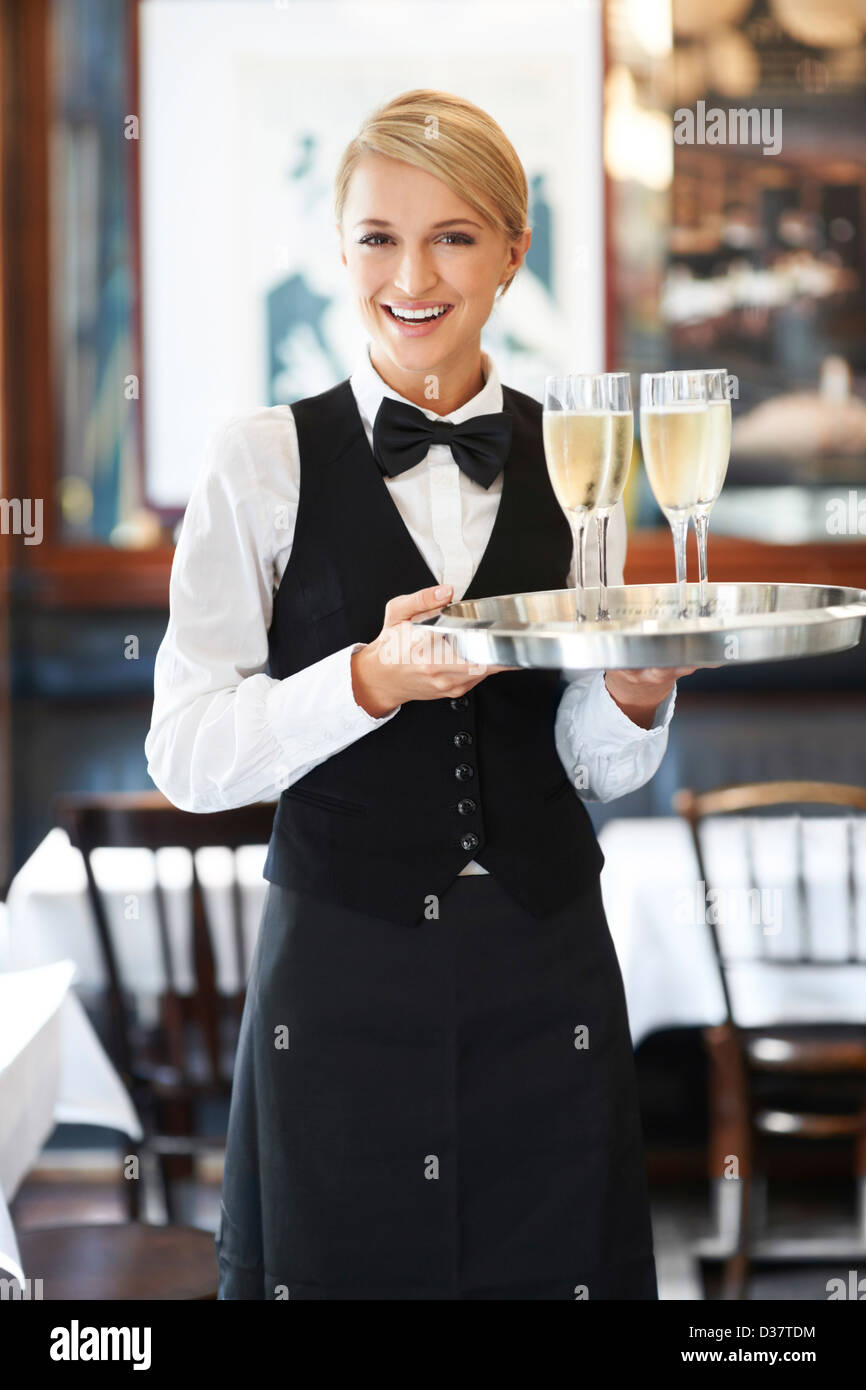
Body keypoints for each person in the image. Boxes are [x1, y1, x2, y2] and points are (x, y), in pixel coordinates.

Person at [145, 88, 691, 1300]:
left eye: (451, 235)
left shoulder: (577, 451)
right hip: (342, 973)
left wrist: (635, 698)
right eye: (378, 237)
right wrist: (361, 683)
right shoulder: (260, 458)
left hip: (543, 960)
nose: (412, 273)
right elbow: (183, 753)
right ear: (340, 250)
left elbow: (588, 760)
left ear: (512, 248)